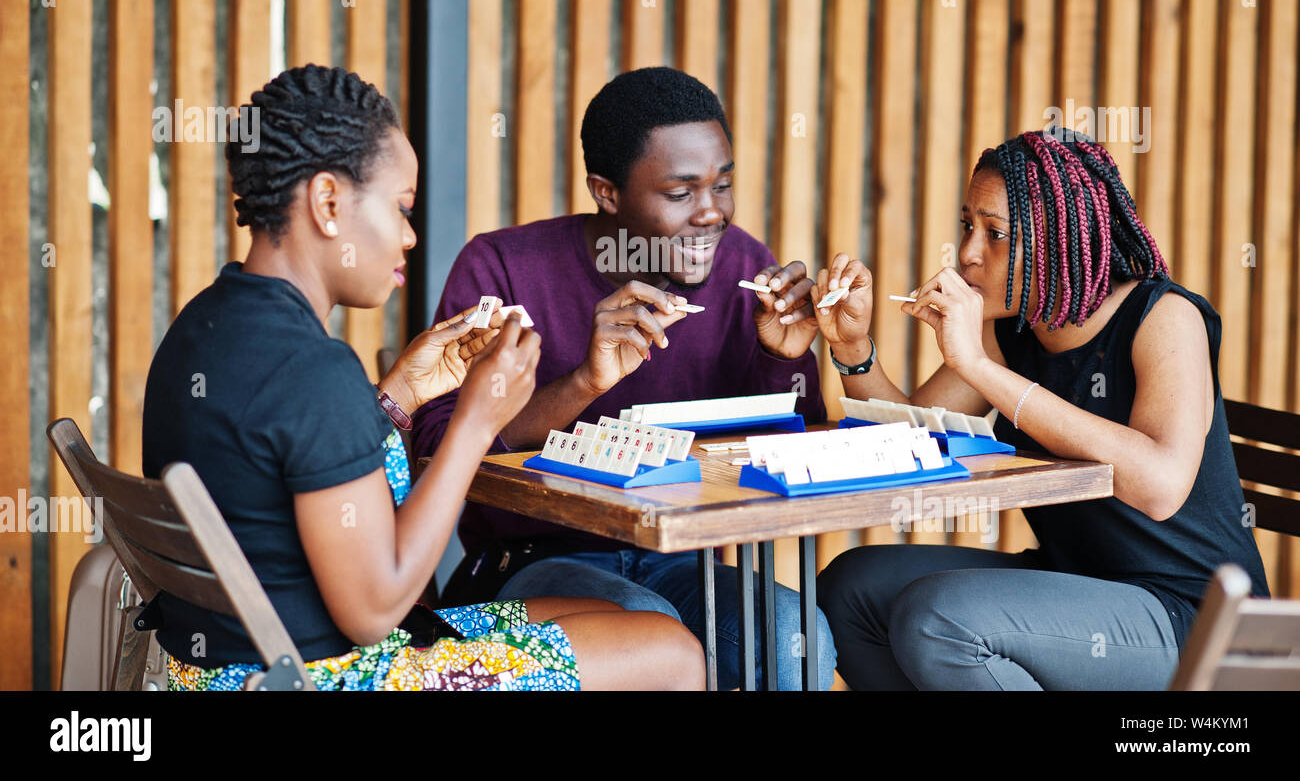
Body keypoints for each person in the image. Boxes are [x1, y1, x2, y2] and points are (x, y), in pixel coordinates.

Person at [141, 64, 704, 690]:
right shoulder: (311, 368)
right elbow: (375, 609)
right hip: (325, 675)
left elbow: (285, 473)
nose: (410, 236)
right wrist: (474, 421)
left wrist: (400, 394)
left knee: (611, 616)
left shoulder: (207, 325)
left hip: (226, 667)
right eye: (401, 209)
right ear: (328, 204)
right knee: (670, 653)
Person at [412, 66, 837, 690]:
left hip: (683, 559)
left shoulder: (743, 265)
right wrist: (583, 382)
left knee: (791, 637)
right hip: (528, 563)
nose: (711, 213)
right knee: (646, 630)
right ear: (606, 192)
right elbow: (434, 452)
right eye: (680, 192)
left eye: (722, 184)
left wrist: (784, 358)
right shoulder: (503, 268)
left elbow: (792, 454)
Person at [812, 128, 1269, 690]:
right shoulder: (1013, 333)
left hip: (1190, 618)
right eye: (968, 227)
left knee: (940, 618)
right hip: (1074, 582)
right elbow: (908, 444)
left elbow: (1159, 484)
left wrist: (980, 368)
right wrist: (852, 350)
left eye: (996, 233)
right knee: (848, 590)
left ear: (1061, 242)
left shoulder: (1164, 318)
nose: (969, 253)